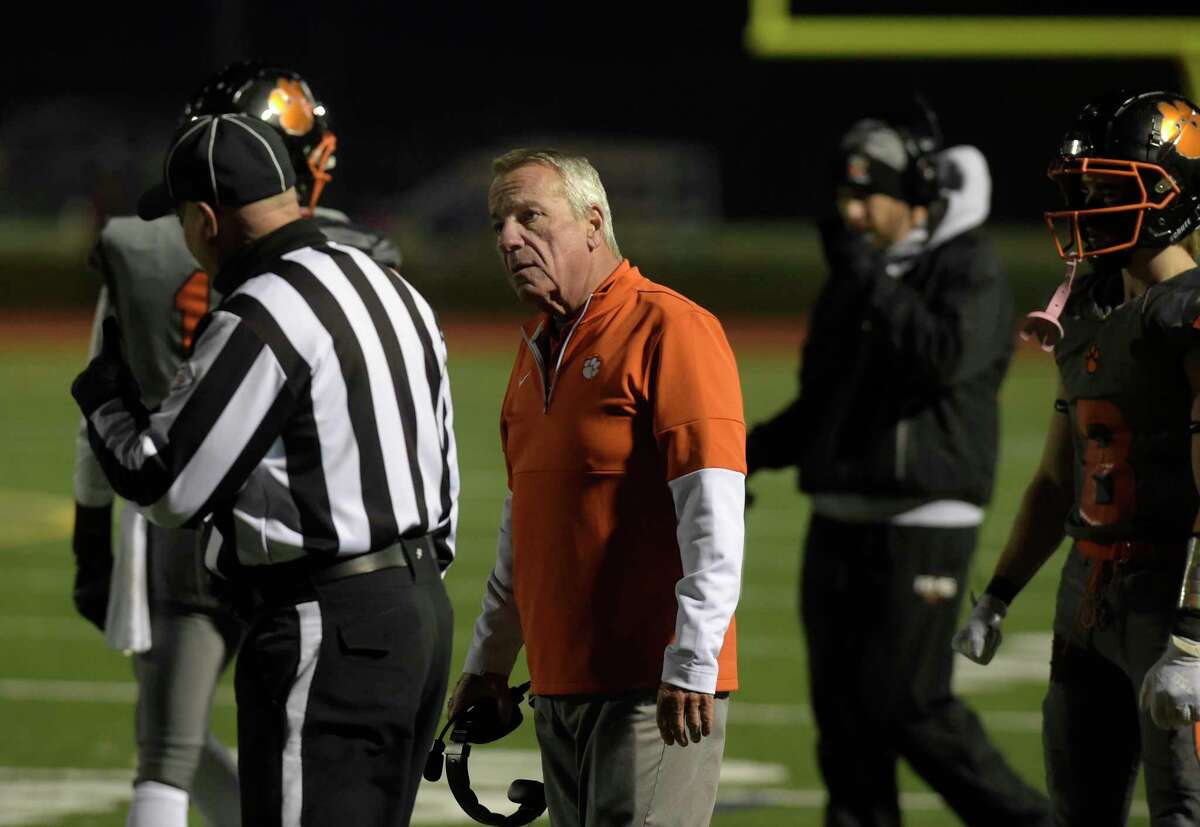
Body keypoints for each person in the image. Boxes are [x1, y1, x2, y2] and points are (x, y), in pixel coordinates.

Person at [70, 110, 457, 827]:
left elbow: (169, 487)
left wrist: (104, 402)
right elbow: (444, 478)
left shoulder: (266, 308)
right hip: (421, 610)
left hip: (327, 624)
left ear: (206, 220)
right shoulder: (394, 288)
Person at [745, 108, 1051, 826]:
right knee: (844, 725)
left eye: (866, 196)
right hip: (837, 522)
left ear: (915, 191)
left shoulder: (967, 266)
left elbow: (942, 357)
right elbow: (823, 403)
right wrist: (742, 455)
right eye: (843, 197)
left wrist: (867, 279)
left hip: (924, 520)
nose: (851, 214)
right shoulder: (861, 272)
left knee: (912, 705)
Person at [447, 148, 745, 826]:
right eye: (498, 225)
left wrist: (693, 660)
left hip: (652, 689)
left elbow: (714, 511)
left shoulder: (672, 328)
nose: (509, 239)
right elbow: (523, 526)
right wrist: (490, 660)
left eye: (529, 217)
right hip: (559, 686)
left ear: (592, 222)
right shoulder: (536, 348)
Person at [954, 90, 1200, 824]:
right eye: (1084, 187)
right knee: (1077, 812)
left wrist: (1193, 636)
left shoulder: (1188, 313)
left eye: (1108, 187)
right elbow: (1058, 479)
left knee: (1182, 812)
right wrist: (999, 593)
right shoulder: (1089, 305)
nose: (1088, 206)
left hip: (1172, 596)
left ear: (1171, 194)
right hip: (1087, 594)